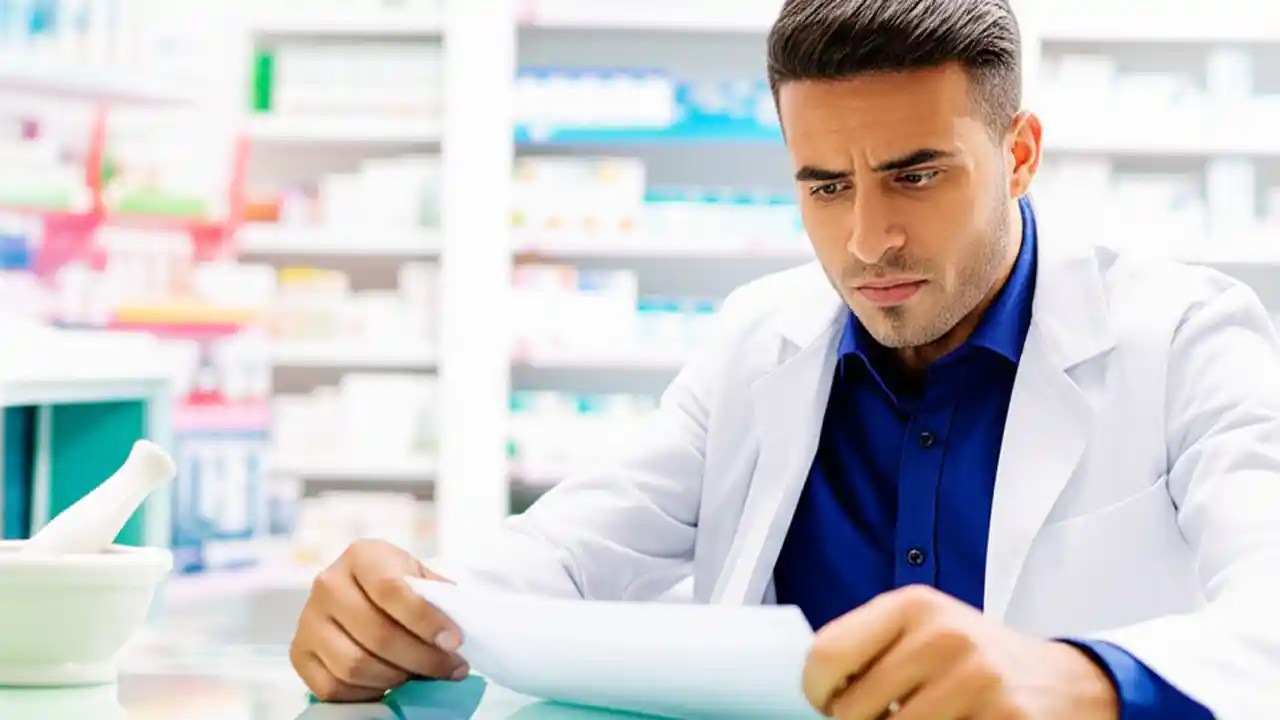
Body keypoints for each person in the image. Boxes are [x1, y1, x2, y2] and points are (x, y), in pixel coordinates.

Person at [290, 1, 1280, 717]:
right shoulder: (758, 339)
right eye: (825, 186)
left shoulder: (1186, 337)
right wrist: (405, 604)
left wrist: (1080, 677)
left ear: (1017, 155)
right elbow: (572, 553)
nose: (866, 241)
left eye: (915, 177)